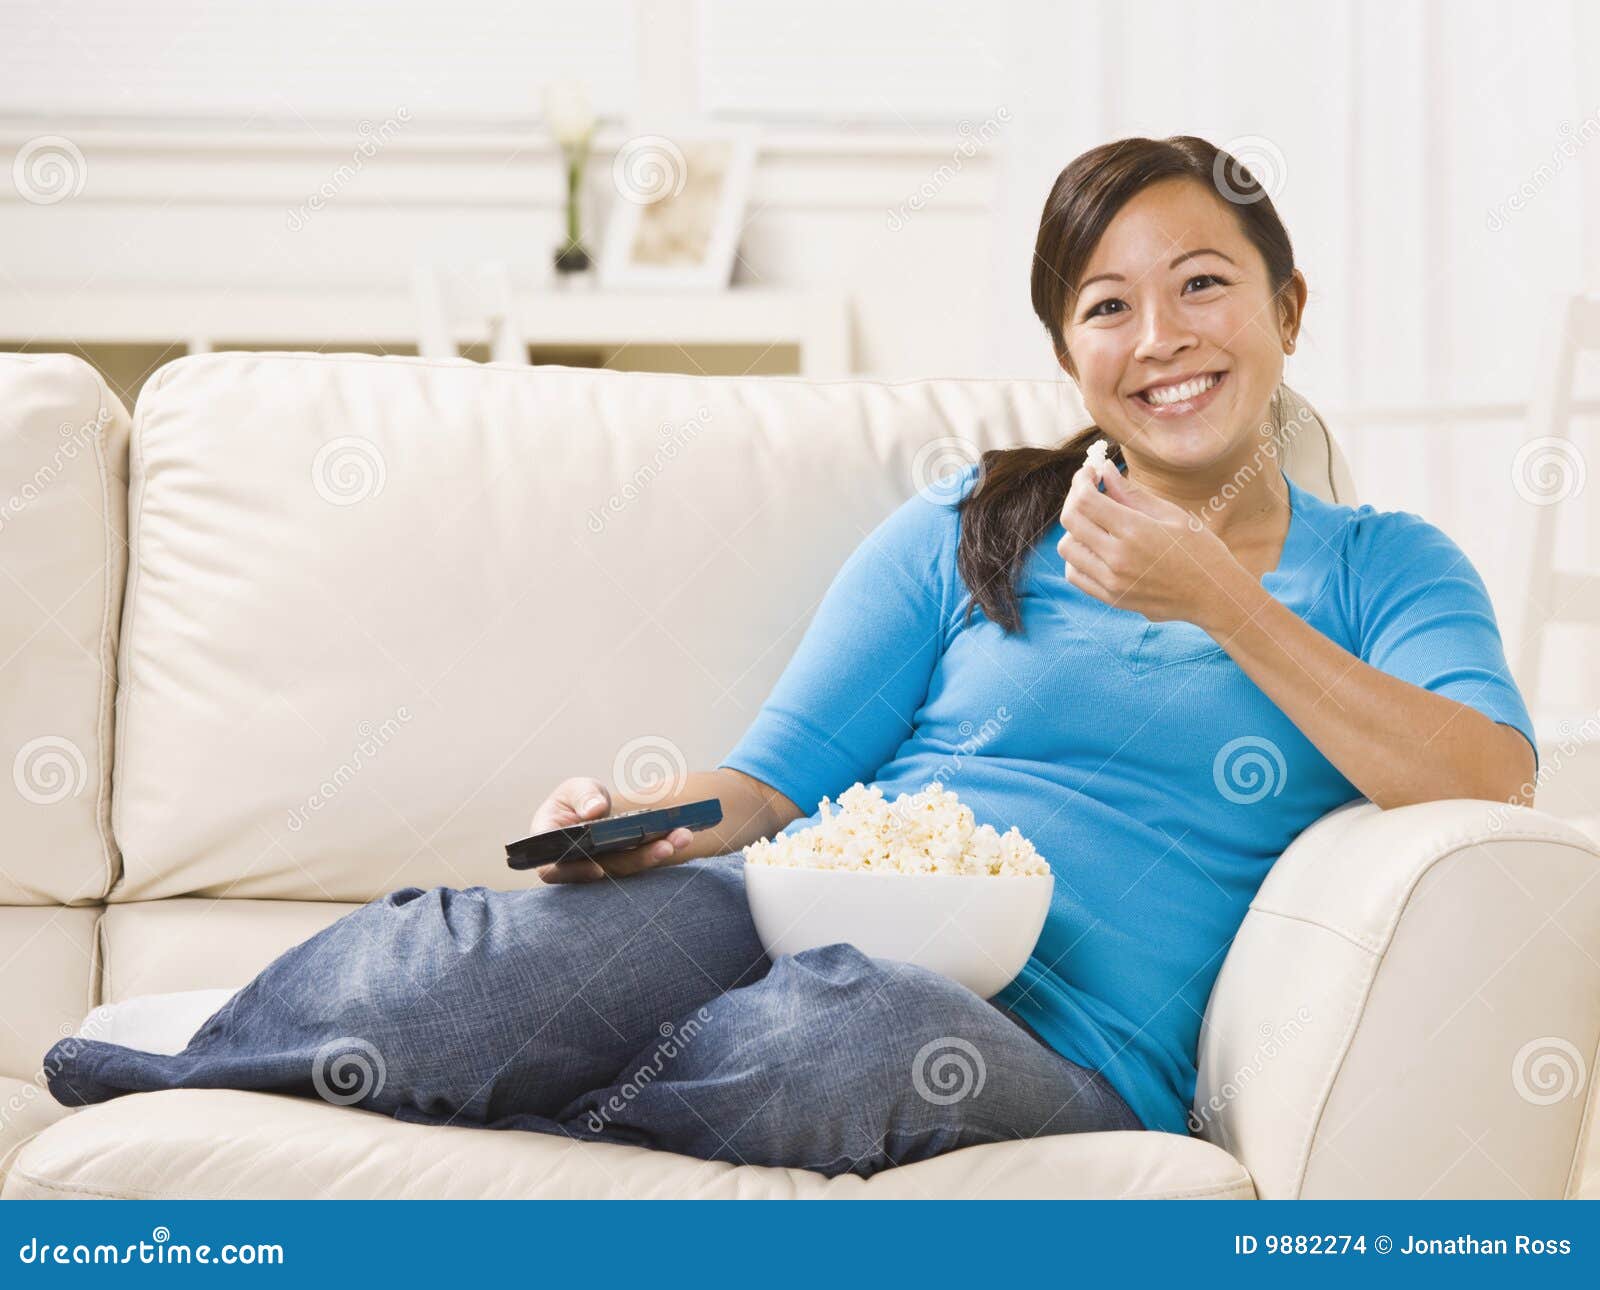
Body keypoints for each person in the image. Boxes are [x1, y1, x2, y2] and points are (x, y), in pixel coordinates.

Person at [42, 135, 1536, 1180]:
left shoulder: (1383, 569)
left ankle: (565, 1095)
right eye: (1106, 307)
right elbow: (770, 785)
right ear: (1071, 357)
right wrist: (632, 833)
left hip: (1033, 1034)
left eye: (1204, 283)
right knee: (520, 958)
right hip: (783, 914)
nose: (1161, 336)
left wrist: (1222, 598)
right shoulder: (974, 527)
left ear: (1287, 309)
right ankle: (171, 1068)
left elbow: (1487, 777)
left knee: (845, 1034)